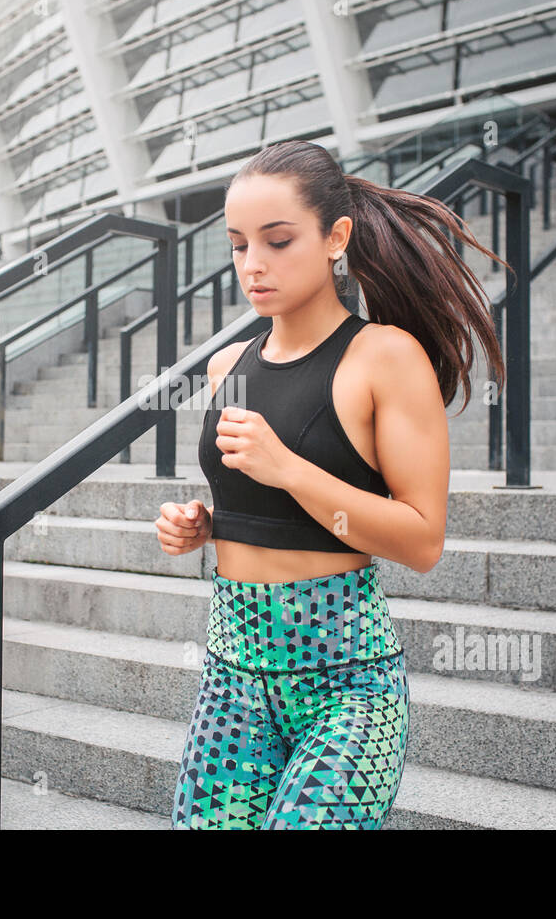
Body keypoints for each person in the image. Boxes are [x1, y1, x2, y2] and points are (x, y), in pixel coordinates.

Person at [156, 139, 507, 829]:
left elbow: (422, 539)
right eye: (238, 245)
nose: (253, 265)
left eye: (278, 241)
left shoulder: (385, 357)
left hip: (348, 686)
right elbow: (259, 507)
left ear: (335, 238)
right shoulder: (230, 364)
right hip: (232, 672)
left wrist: (287, 467)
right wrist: (202, 523)